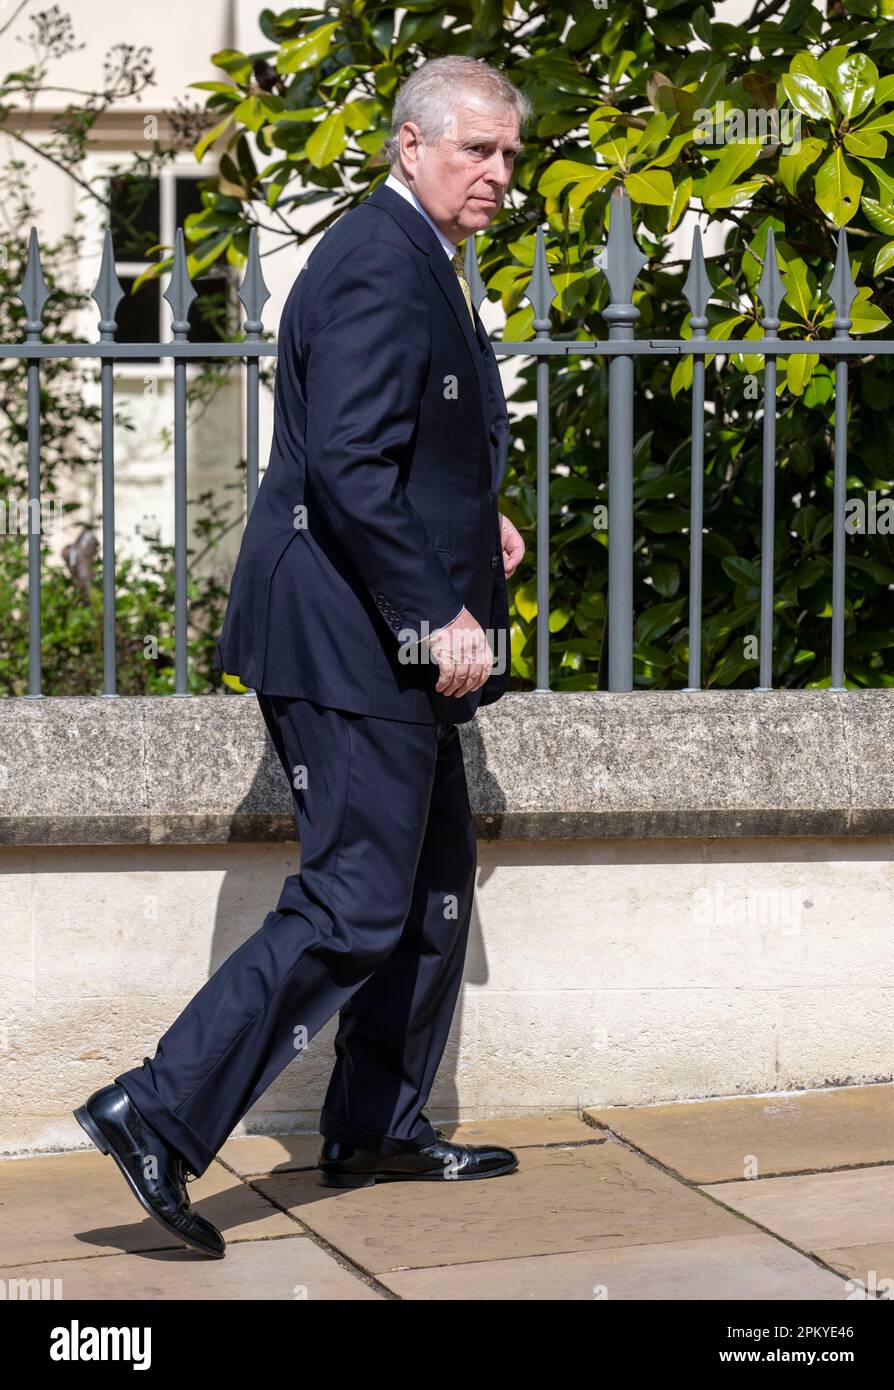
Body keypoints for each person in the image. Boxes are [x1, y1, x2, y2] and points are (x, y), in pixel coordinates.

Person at [74, 54, 529, 1260]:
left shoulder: (420, 255)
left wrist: (474, 515)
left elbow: (399, 440)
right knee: (356, 899)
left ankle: (375, 1122)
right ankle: (158, 1113)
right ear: (409, 144)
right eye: (476, 150)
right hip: (344, 634)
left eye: (507, 154)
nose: (497, 174)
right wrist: (440, 611)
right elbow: (346, 467)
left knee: (431, 886)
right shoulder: (381, 263)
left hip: (376, 622)